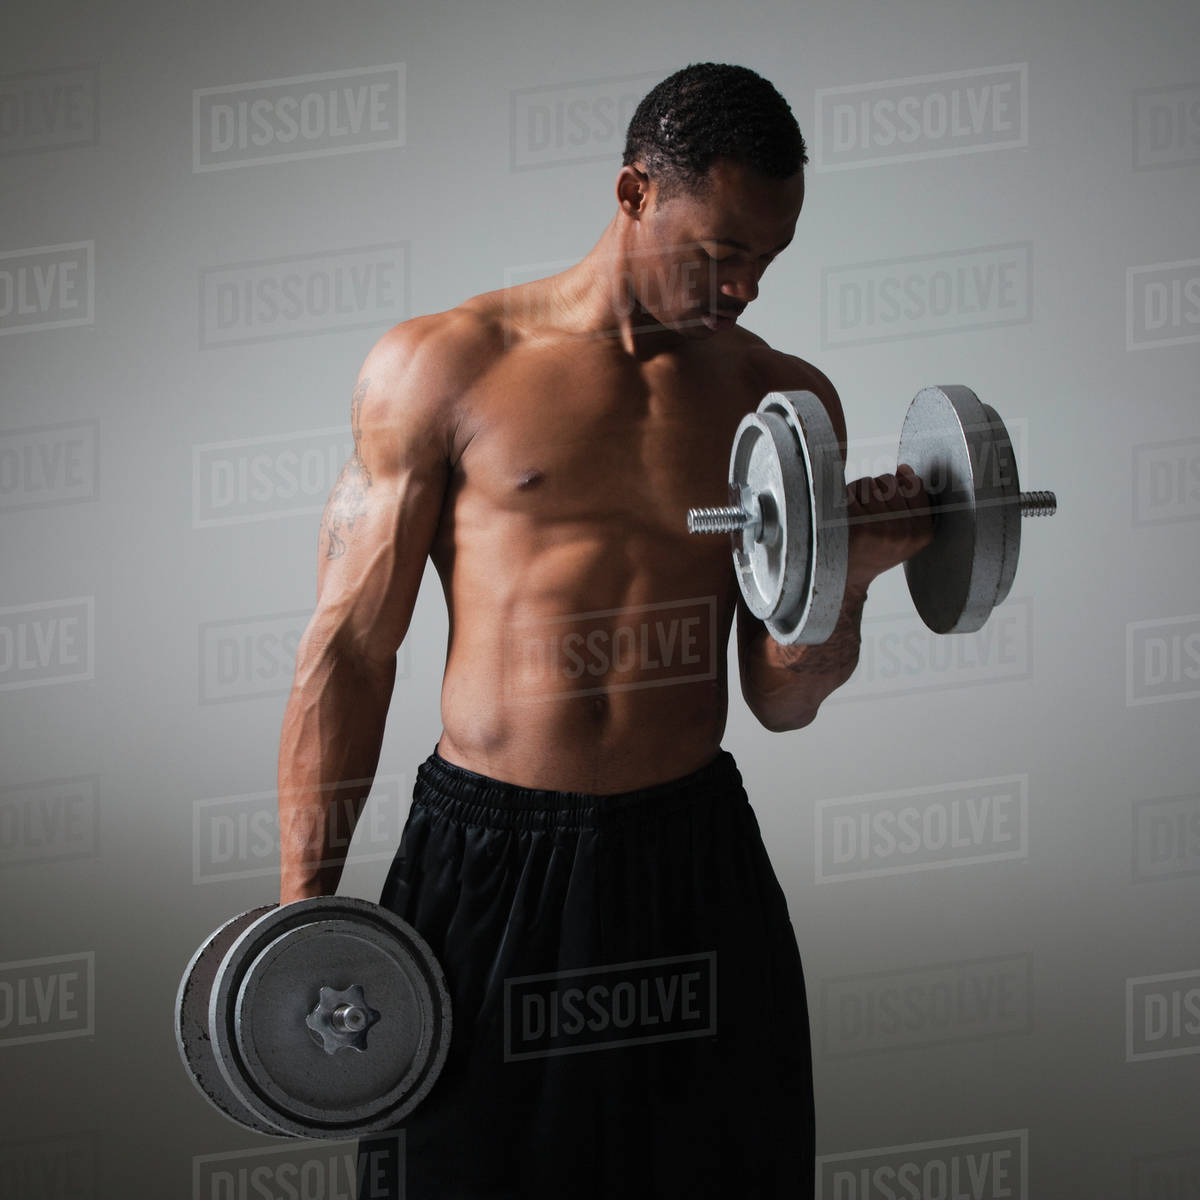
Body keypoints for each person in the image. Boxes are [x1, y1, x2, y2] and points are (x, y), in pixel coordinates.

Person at [276, 62, 932, 1200]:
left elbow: (779, 698)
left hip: (690, 859)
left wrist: (850, 578)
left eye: (769, 260)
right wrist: (302, 926)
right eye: (720, 252)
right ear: (634, 193)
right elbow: (351, 650)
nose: (746, 291)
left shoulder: (780, 400)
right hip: (486, 860)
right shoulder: (444, 366)